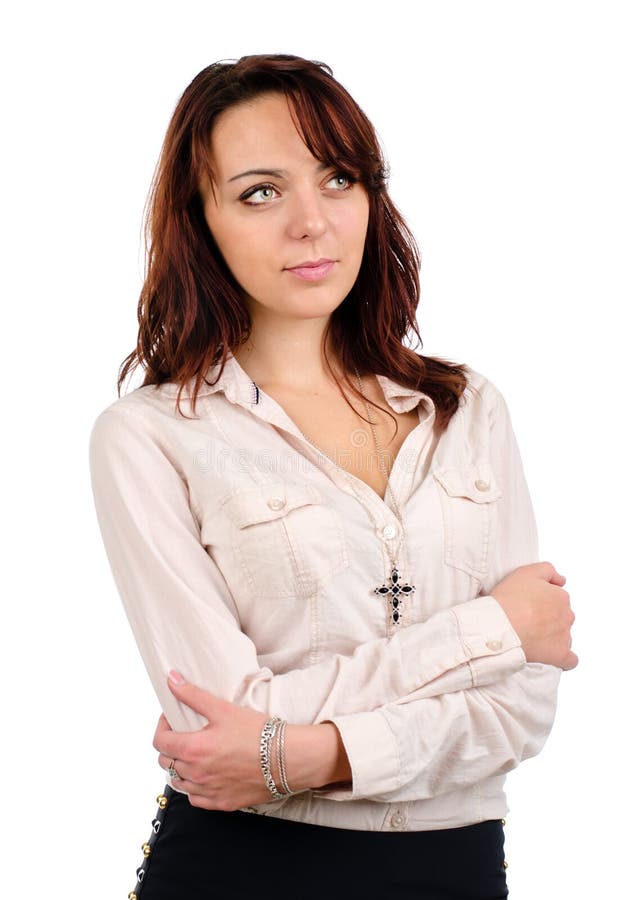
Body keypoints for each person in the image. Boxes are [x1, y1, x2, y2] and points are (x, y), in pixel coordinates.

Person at [88, 54, 577, 900]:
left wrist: (309, 754)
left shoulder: (466, 410)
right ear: (199, 221)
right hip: (242, 871)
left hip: (457, 872)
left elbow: (521, 711)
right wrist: (492, 630)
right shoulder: (150, 436)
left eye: (338, 178)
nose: (310, 222)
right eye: (259, 192)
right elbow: (224, 715)